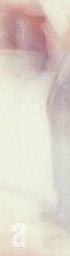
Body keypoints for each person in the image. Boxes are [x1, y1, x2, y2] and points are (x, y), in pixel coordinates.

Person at [49, 41, 70, 229]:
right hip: (60, 118)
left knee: (64, 165)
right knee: (61, 165)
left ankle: (65, 214)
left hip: (64, 121)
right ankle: (63, 210)